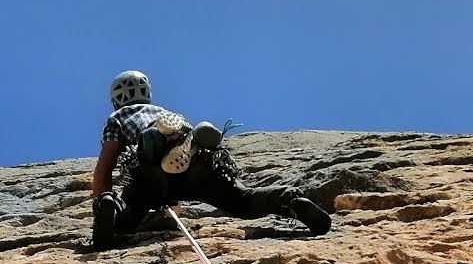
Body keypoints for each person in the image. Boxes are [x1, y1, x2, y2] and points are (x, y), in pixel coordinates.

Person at [89, 70, 333, 250]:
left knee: (126, 217)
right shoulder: (163, 111)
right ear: (148, 93)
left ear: (116, 100)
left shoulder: (116, 118)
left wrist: (102, 199)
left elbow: (105, 167)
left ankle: (117, 198)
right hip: (199, 166)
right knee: (243, 201)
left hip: (149, 174)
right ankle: (288, 200)